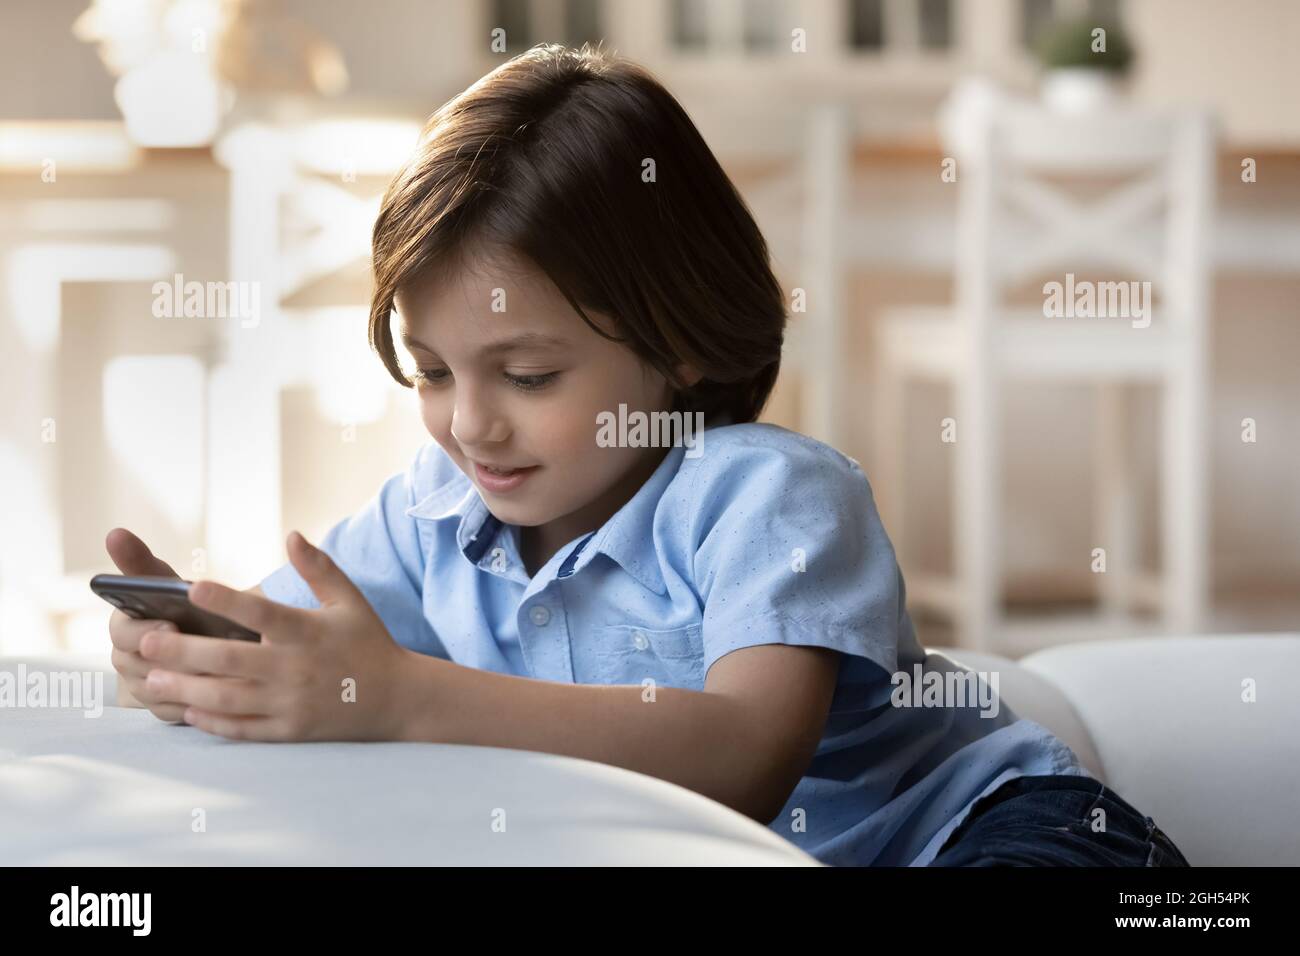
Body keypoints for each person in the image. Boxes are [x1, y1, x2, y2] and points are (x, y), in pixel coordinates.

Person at [107, 43, 1189, 868]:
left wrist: (400, 695)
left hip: (988, 836)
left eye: (528, 376)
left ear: (671, 344)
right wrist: (186, 653)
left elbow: (743, 754)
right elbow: (289, 648)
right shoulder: (429, 515)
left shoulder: (767, 492)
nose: (470, 424)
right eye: (433, 370)